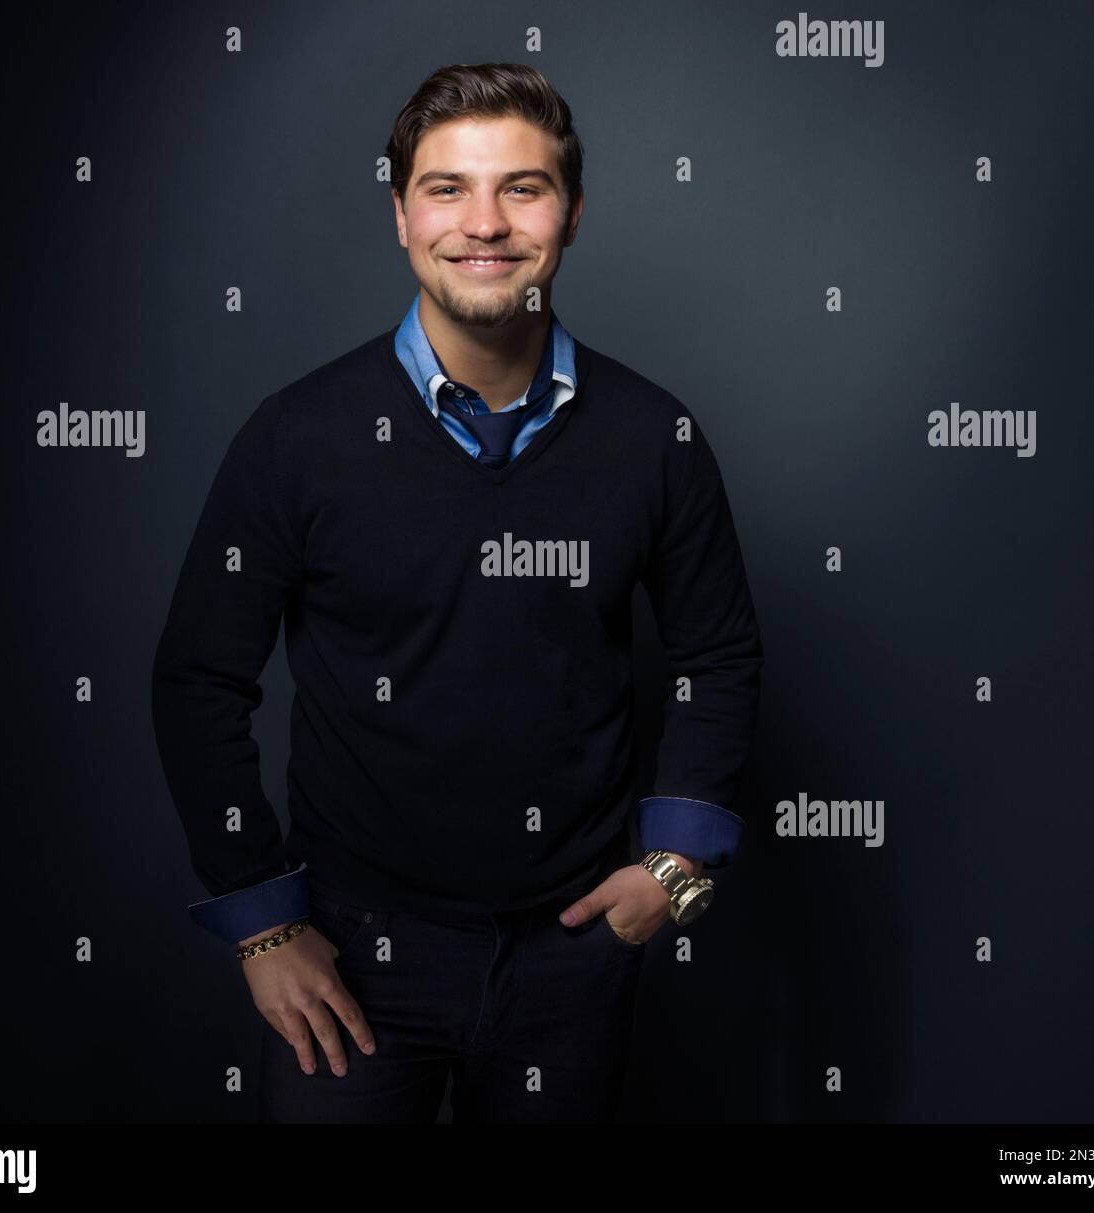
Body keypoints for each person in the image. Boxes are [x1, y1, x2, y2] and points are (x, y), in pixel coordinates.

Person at [151, 62, 764, 1123]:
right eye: (446, 189)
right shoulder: (296, 437)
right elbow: (199, 677)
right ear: (399, 214)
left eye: (521, 188)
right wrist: (263, 924)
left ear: (569, 214)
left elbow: (717, 657)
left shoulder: (652, 437)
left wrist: (675, 866)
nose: (484, 223)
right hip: (346, 959)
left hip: (573, 952)